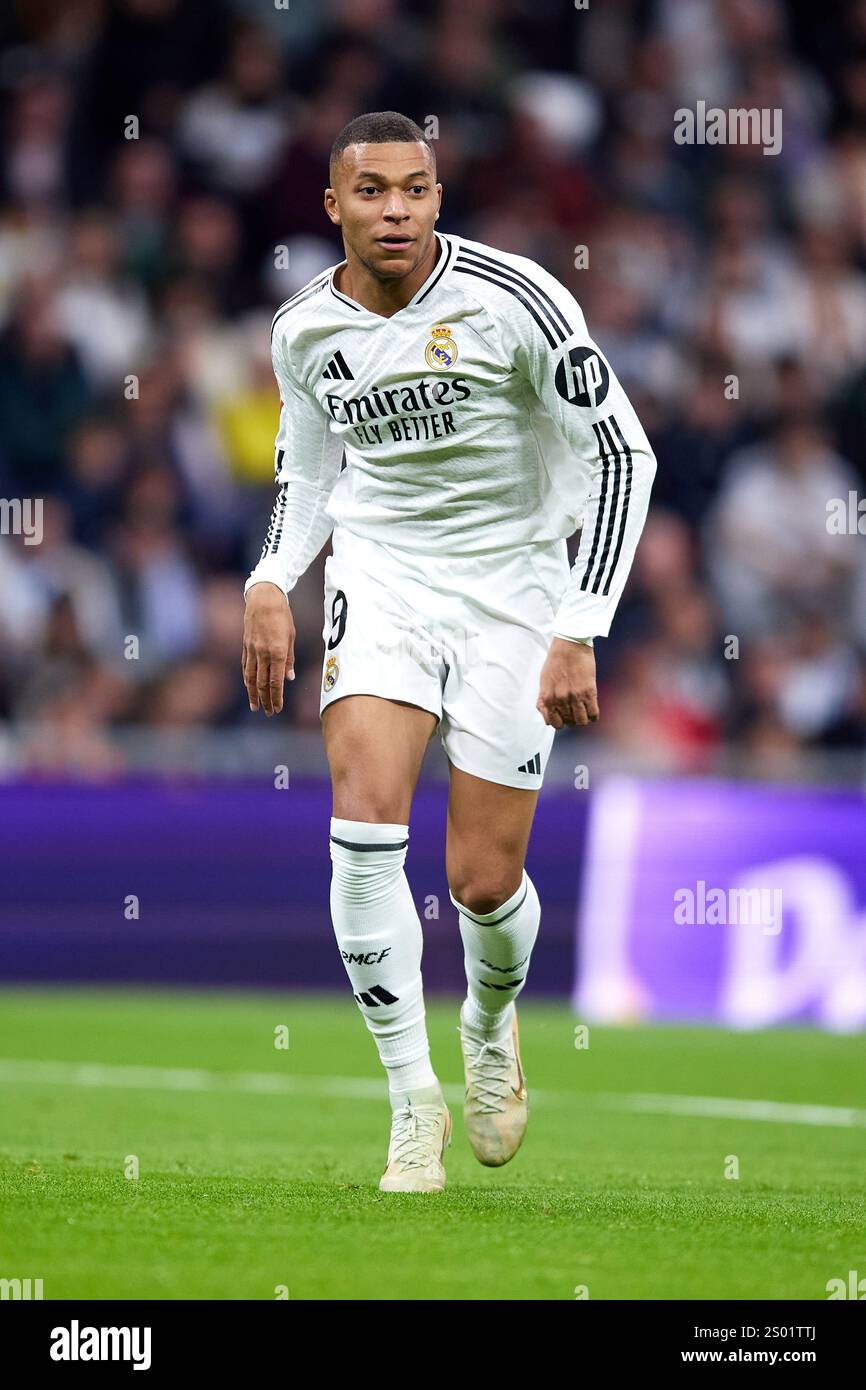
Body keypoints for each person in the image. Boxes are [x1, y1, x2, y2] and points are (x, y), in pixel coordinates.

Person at [242, 111, 656, 1192]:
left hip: (515, 586)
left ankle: (487, 1020)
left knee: (481, 878)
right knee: (361, 814)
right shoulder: (302, 333)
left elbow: (622, 451)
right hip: (381, 579)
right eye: (370, 191)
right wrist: (270, 579)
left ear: (438, 198)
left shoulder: (514, 299)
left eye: (414, 190)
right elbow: (309, 475)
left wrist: (580, 623)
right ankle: (408, 1101)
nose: (395, 210)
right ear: (332, 205)